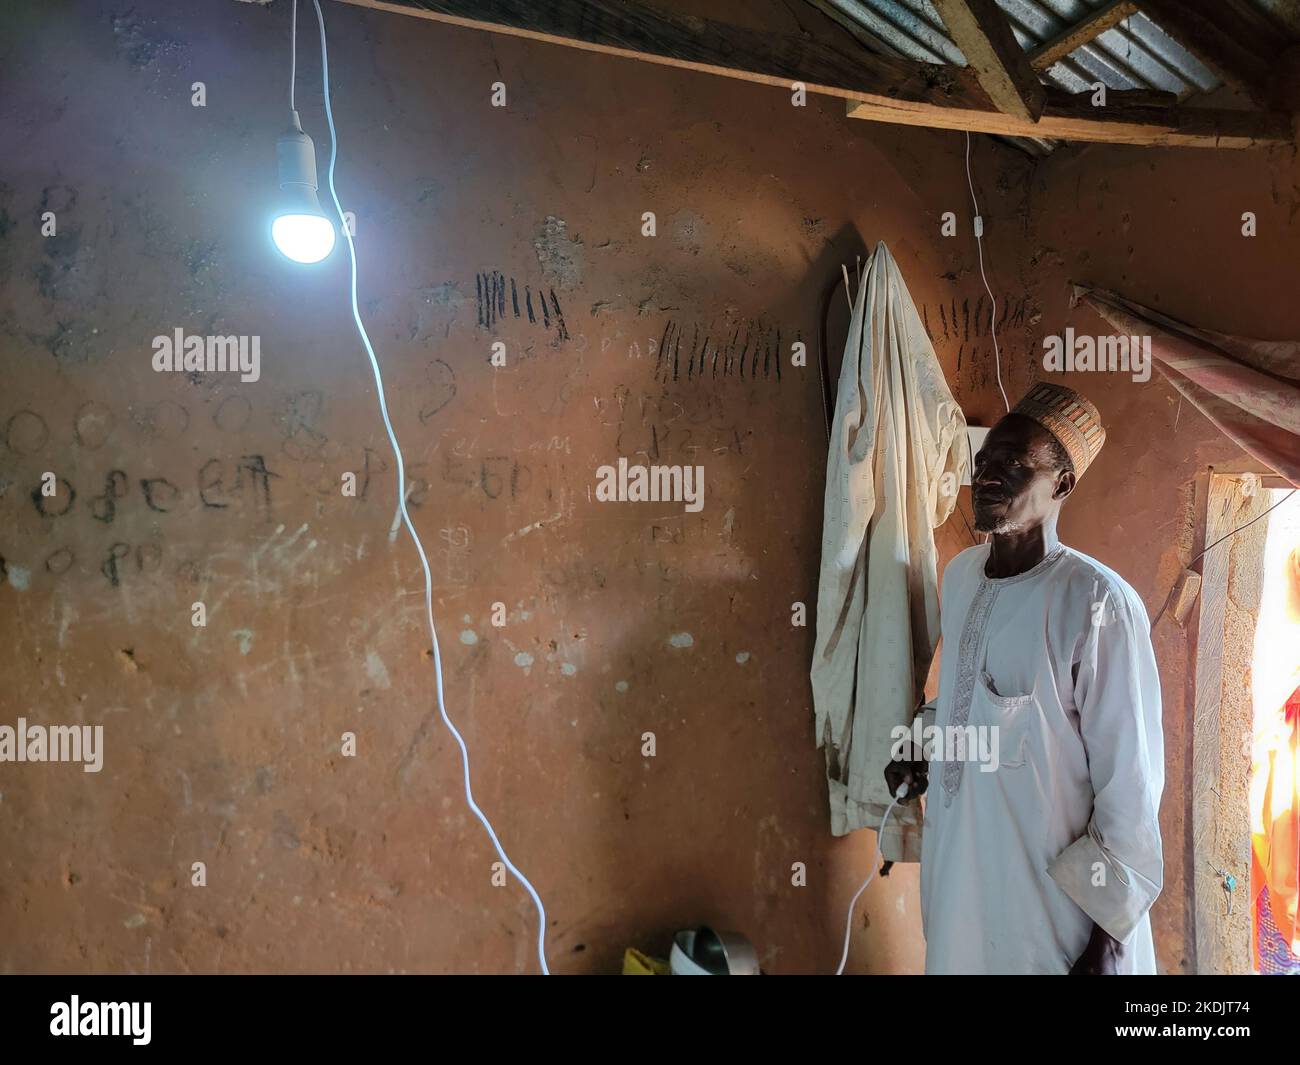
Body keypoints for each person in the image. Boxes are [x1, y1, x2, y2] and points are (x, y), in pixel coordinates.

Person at [885, 382, 1164, 974]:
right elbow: (962, 700)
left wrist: (1106, 939)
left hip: (1054, 914)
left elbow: (1130, 784)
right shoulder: (961, 577)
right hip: (961, 881)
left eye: (1015, 464)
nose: (988, 475)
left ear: (1061, 483)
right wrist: (921, 748)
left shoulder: (1095, 602)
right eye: (984, 461)